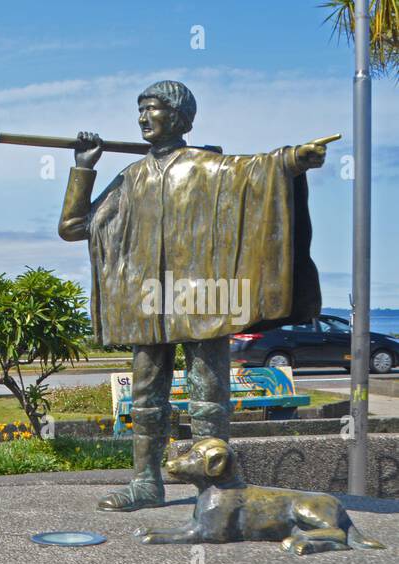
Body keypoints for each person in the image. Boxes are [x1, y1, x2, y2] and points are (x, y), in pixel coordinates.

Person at [59, 79, 328, 511]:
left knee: (208, 397)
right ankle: (145, 482)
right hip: (148, 303)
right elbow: (73, 228)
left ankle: (214, 485)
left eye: (153, 109)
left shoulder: (207, 166)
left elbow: (259, 171)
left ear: (181, 117)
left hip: (203, 300)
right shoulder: (130, 179)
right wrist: (84, 167)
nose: (144, 117)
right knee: (146, 400)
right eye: (140, 110)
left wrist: (294, 159)